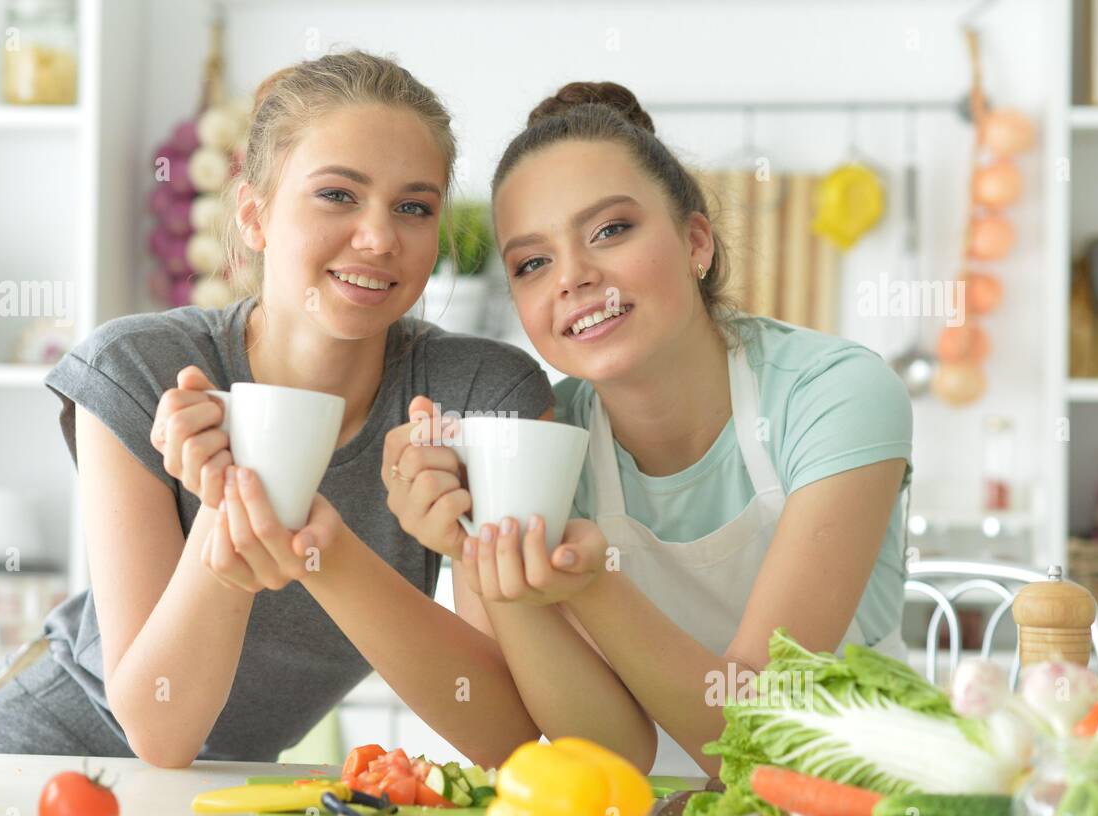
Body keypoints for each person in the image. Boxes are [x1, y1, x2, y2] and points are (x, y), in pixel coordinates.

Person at [0, 51, 552, 769]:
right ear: (253, 213)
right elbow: (160, 731)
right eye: (338, 195)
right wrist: (230, 504)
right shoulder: (140, 370)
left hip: (218, 800)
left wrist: (329, 553)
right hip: (31, 764)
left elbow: (503, 734)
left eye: (414, 206)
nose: (378, 237)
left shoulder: (480, 398)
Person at [385, 82, 913, 776]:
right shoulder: (543, 443)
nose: (572, 277)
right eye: (532, 263)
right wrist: (480, 540)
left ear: (696, 241)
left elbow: (753, 740)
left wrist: (592, 583)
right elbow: (602, 753)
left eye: (609, 230)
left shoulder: (833, 393)